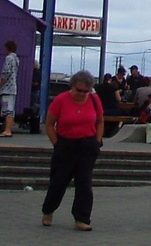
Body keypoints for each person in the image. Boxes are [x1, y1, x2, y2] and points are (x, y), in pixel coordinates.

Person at [41, 70, 104, 231]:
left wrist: (97, 141)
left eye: (86, 91)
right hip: (65, 145)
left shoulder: (94, 100)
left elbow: (100, 122)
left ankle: (82, 218)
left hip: (87, 145)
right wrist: (57, 144)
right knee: (59, 181)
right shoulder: (60, 100)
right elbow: (49, 125)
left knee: (84, 183)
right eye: (79, 90)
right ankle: (48, 211)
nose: (82, 94)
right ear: (72, 87)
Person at [0, 40, 20, 136]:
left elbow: (6, 73)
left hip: (7, 88)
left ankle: (7, 130)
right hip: (13, 87)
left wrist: (0, 85)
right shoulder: (16, 59)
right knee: (11, 110)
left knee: (7, 110)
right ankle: (8, 129)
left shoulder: (9, 58)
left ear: (7, 48)